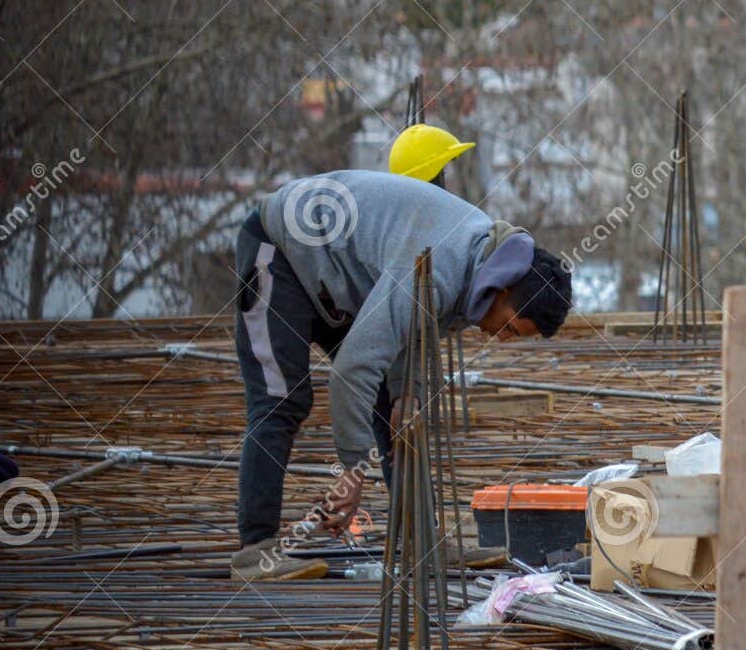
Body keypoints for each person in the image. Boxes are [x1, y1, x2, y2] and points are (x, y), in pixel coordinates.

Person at [229, 147, 573, 582]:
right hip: (283, 252)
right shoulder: (446, 263)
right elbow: (351, 372)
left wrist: (407, 393)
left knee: (397, 413)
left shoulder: (478, 265)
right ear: (502, 290)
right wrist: (352, 472)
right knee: (282, 398)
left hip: (340, 278)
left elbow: (410, 333)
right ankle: (253, 550)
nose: (496, 338)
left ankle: (421, 541)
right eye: (508, 328)